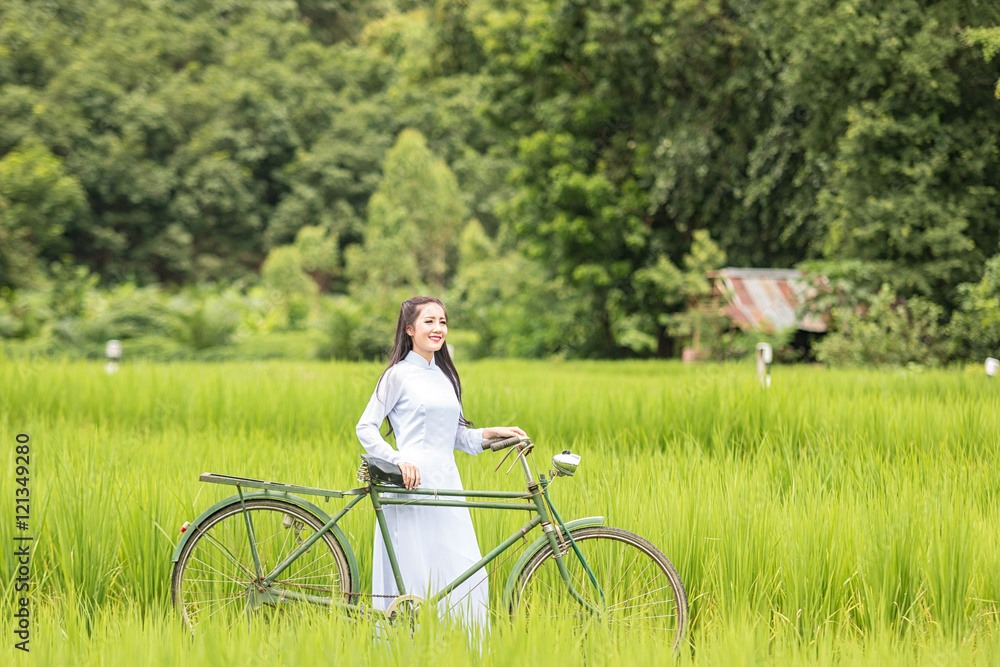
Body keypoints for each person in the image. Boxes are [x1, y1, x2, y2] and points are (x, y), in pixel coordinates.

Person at [356, 296, 526, 628]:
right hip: (410, 485)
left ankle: (462, 654)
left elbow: (457, 438)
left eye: (443, 322)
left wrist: (492, 432)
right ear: (409, 329)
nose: (438, 329)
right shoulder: (397, 375)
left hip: (447, 484)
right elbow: (366, 427)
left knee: (465, 573)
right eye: (429, 321)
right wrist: (397, 459)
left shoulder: (446, 376)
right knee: (415, 577)